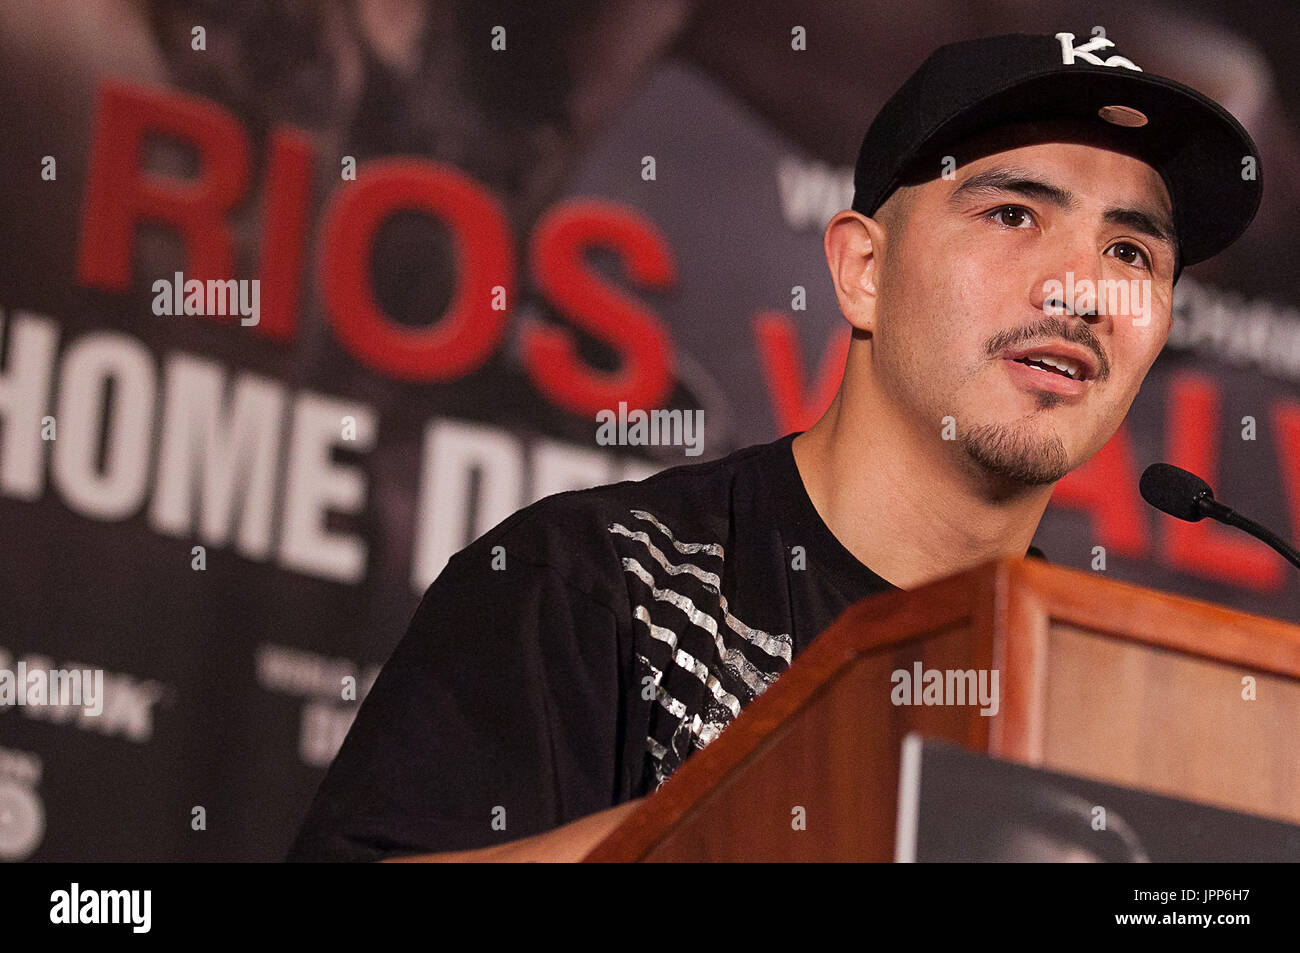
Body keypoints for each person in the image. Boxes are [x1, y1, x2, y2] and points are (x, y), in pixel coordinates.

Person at [286, 31, 1261, 862]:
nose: (1080, 289)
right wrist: (797, 806)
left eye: (1130, 251)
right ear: (861, 270)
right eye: (1012, 214)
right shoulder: (598, 584)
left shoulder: (1122, 713)